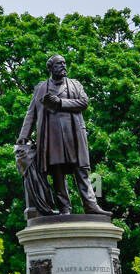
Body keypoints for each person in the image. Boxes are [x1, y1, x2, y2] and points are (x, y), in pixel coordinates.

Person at [16, 54, 110, 217]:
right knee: (57, 172)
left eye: (65, 63)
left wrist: (59, 103)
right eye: (59, 64)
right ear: (51, 68)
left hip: (74, 133)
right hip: (51, 136)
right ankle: (64, 208)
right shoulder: (41, 88)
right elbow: (31, 114)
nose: (64, 66)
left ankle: (90, 204)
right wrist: (23, 136)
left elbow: (84, 103)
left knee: (81, 170)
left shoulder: (75, 85)